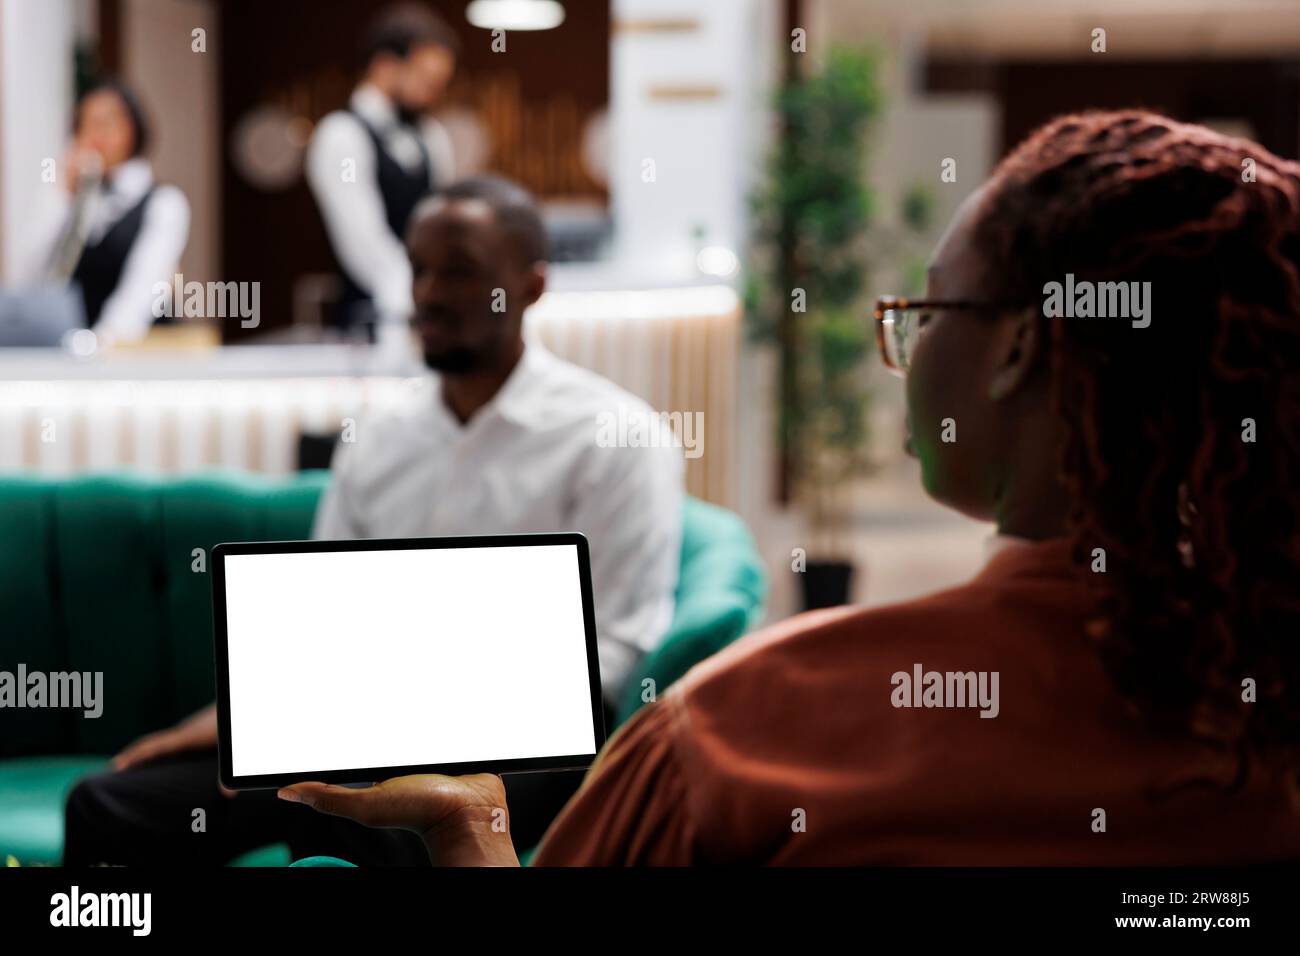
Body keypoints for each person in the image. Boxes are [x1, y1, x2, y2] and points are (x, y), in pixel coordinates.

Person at [279, 111, 1300, 865]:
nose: (899, 340)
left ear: (1018, 348)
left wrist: (469, 821)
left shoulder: (753, 724)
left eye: (925, 306)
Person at [63, 175, 684, 865]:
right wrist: (238, 717)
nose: (427, 293)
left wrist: (420, 706)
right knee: (106, 802)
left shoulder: (615, 436)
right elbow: (320, 620)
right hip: (355, 728)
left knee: (359, 818)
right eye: (418, 268)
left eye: (459, 271)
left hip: (530, 747)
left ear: (532, 287)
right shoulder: (380, 433)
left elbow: (619, 652)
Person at [306, 3, 458, 341]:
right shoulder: (341, 136)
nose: (433, 93)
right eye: (425, 80)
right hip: (369, 326)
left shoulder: (431, 136)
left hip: (427, 319)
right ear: (386, 66)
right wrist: (418, 302)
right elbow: (363, 244)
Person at [16, 80, 190, 346]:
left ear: (134, 129)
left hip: (137, 357)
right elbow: (27, 279)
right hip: (75, 357)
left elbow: (140, 296)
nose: (96, 136)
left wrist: (98, 346)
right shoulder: (74, 202)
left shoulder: (165, 204)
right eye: (86, 125)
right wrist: (62, 194)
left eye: (107, 123)